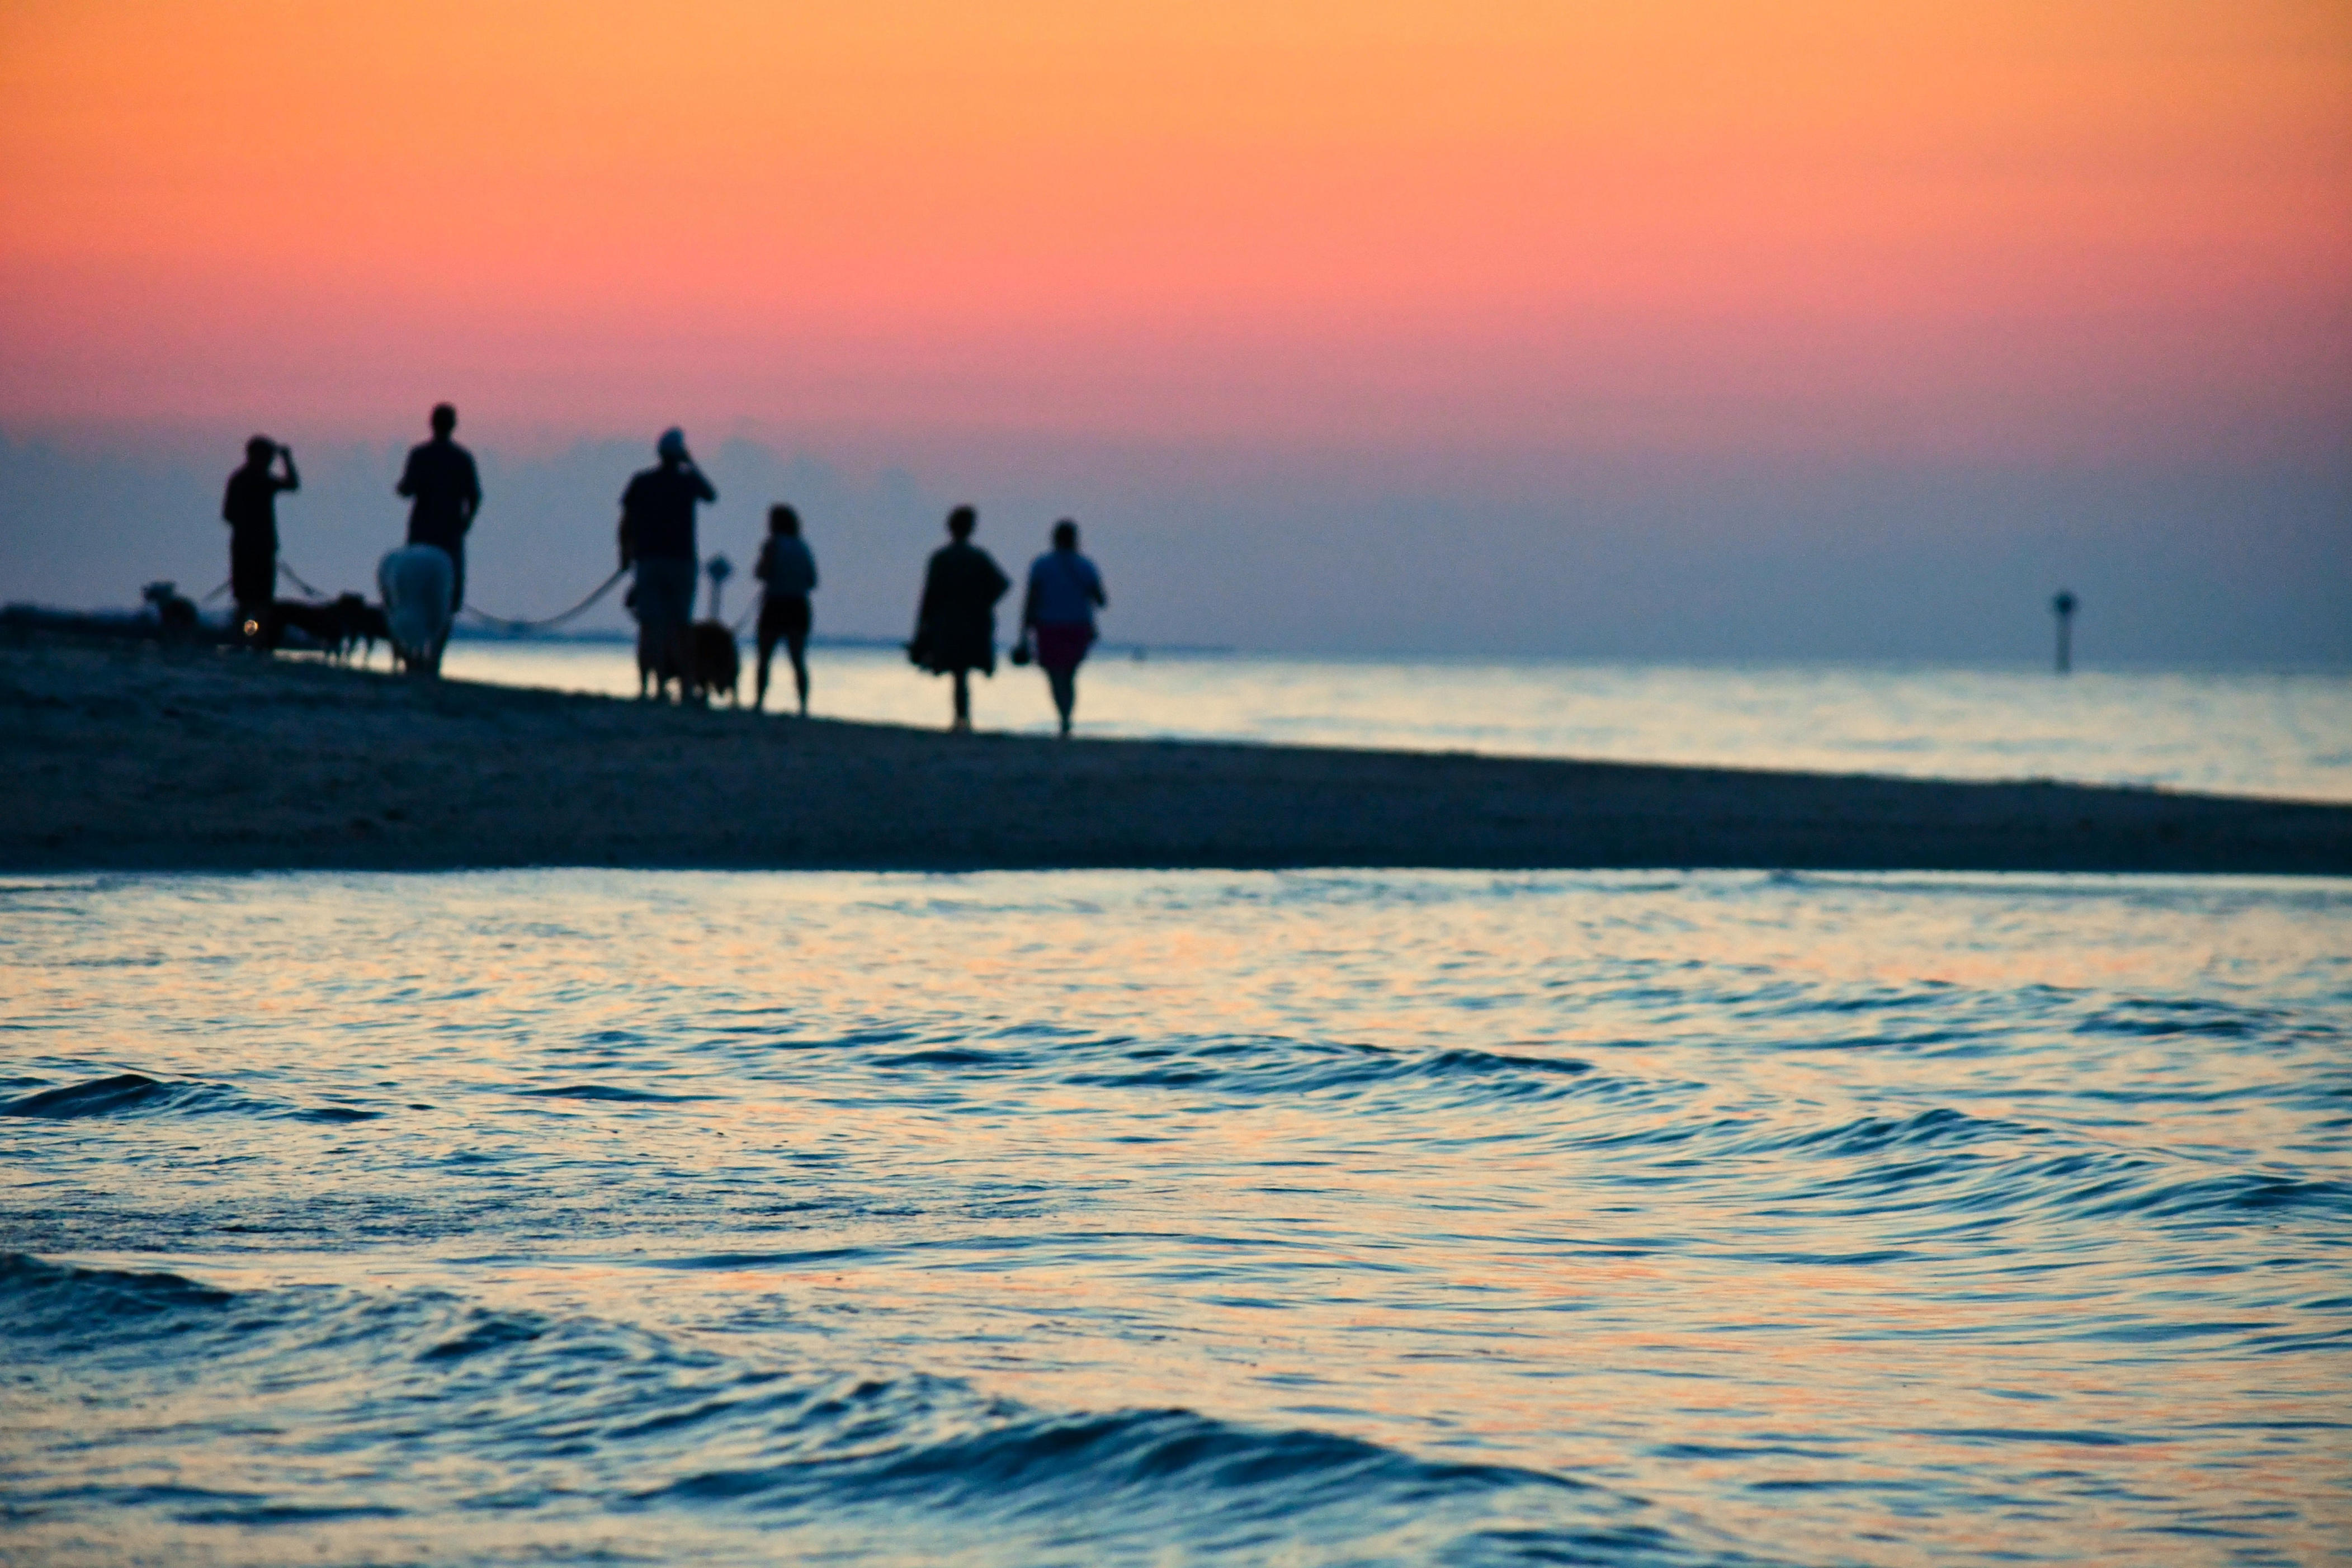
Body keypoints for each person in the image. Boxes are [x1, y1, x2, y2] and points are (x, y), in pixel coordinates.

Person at [617, 428, 716, 699]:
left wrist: (625, 555)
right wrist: (691, 463)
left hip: (650, 562)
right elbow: (711, 495)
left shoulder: (642, 481)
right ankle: (683, 685)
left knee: (650, 627)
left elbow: (625, 522)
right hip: (680, 563)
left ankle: (651, 686)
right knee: (679, 627)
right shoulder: (687, 482)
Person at [909, 504, 1009, 731]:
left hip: (949, 621)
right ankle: (962, 717)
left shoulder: (941, 558)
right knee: (961, 672)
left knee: (958, 671)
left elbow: (929, 596)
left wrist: (921, 628)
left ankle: (961, 717)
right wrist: (983, 603)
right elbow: (1002, 585)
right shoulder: (978, 557)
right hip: (972, 622)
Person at [394, 403, 482, 646]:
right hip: (449, 537)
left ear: (431, 424)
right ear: (453, 425)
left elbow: (406, 489)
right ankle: (435, 651)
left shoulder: (420, 455)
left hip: (422, 534)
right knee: (449, 598)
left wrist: (402, 487)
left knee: (414, 594)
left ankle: (415, 650)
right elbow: (474, 497)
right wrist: (466, 522)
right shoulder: (462, 458)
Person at [1021, 519, 1108, 737]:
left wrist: (1024, 632)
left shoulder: (1041, 565)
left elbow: (1031, 600)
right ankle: (1066, 719)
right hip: (1078, 626)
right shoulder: (1086, 566)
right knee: (1069, 675)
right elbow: (1101, 600)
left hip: (1048, 625)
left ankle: (1064, 718)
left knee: (1055, 675)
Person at [221, 434, 299, 645]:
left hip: (253, 549)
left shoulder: (246, 479)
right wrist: (287, 460)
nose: (270, 462)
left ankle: (249, 639)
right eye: (269, 457)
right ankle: (251, 639)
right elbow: (292, 484)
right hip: (254, 549)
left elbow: (228, 515)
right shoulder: (256, 480)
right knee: (254, 603)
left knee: (253, 602)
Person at [754, 504, 818, 714]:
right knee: (798, 659)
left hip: (776, 604)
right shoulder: (803, 547)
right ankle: (803, 706)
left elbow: (761, 573)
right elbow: (812, 580)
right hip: (798, 605)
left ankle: (760, 702)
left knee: (764, 657)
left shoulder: (772, 545)